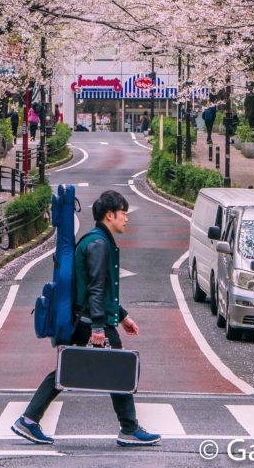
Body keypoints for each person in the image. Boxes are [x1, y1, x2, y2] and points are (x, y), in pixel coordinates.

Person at [12, 190, 161, 449]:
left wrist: (122, 316)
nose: (127, 218)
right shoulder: (99, 244)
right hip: (91, 320)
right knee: (118, 368)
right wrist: (99, 327)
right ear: (109, 215)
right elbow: (96, 287)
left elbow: (99, 289)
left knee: (69, 368)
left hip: (86, 317)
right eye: (123, 213)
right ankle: (129, 428)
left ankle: (29, 419)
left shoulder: (95, 240)